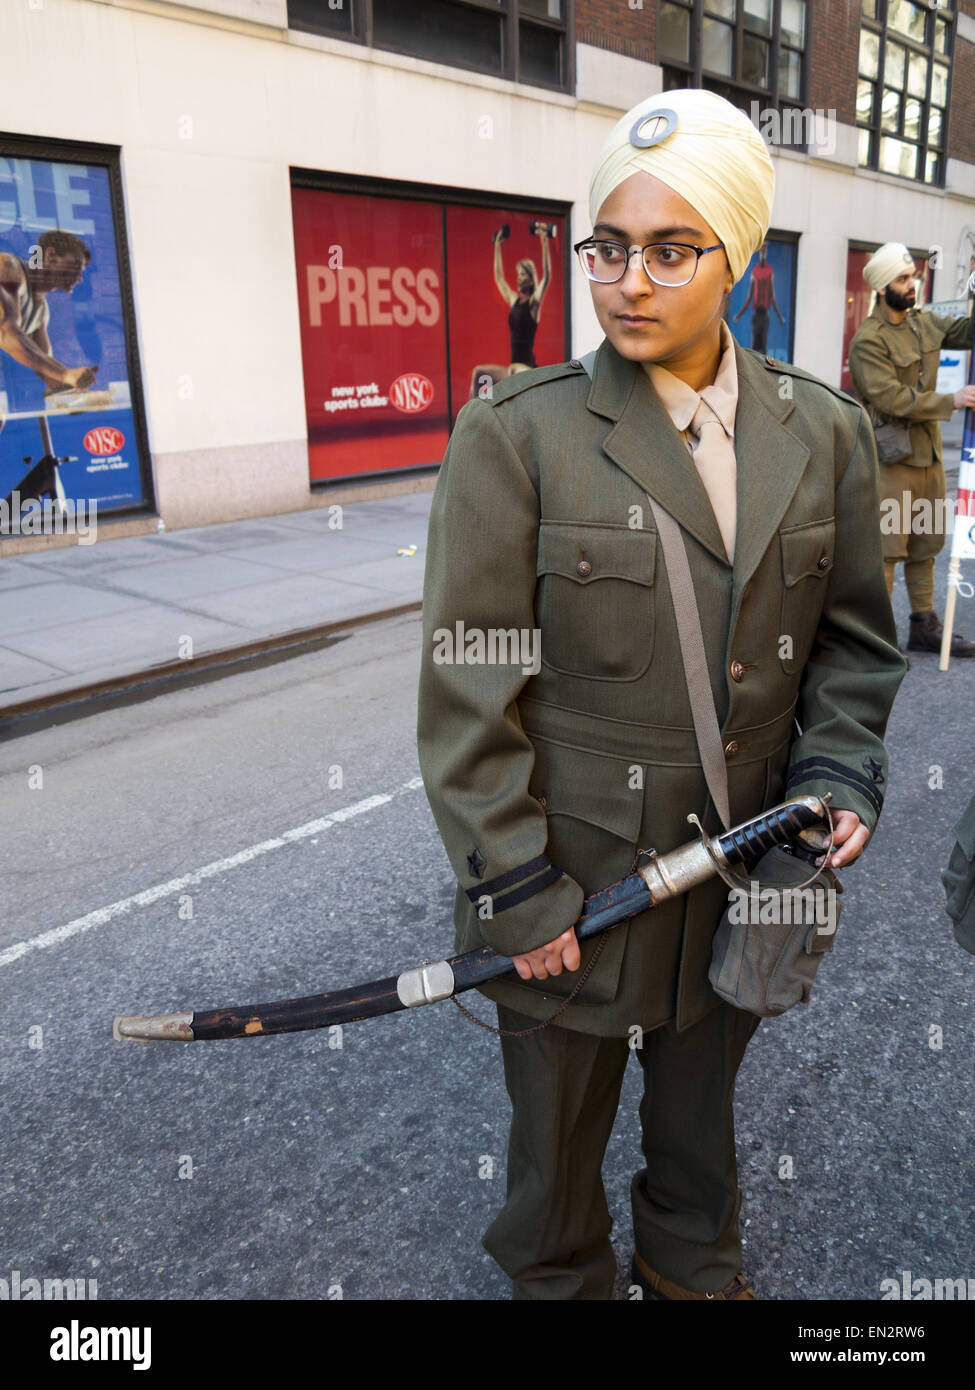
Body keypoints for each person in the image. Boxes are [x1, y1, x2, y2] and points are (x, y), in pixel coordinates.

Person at [417, 89, 906, 1301]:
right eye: (607, 247)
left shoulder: (826, 432)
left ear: (737, 259)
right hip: (571, 899)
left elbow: (853, 640)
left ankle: (696, 1277)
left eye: (670, 249)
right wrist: (517, 887)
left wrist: (840, 772)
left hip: (739, 890)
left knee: (701, 1154)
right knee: (553, 1178)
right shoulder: (519, 435)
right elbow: (469, 681)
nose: (629, 279)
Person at [848, 242, 975, 658]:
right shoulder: (869, 340)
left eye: (912, 277)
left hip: (930, 459)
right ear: (883, 288)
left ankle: (924, 626)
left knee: (926, 545)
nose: (912, 284)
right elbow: (889, 397)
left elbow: (966, 332)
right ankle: (880, 641)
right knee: (888, 551)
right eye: (902, 280)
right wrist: (951, 401)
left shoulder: (923, 323)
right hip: (892, 461)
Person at [469, 224, 552, 398]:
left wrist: (544, 240)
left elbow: (547, 277)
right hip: (513, 367)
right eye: (518, 274)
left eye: (522, 274)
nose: (518, 278)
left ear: (530, 279)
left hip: (527, 369)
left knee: (514, 375)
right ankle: (473, 419)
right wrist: (497, 245)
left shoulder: (533, 304)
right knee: (479, 373)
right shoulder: (515, 301)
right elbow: (499, 278)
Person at [732, 241, 785, 355]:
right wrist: (738, 315)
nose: (763, 253)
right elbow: (749, 297)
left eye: (765, 251)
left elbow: (772, 297)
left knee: (764, 348)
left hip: (765, 315)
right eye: (762, 251)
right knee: (755, 348)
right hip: (757, 316)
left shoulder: (769, 271)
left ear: (766, 253)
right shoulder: (755, 271)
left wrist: (780, 317)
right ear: (760, 252)